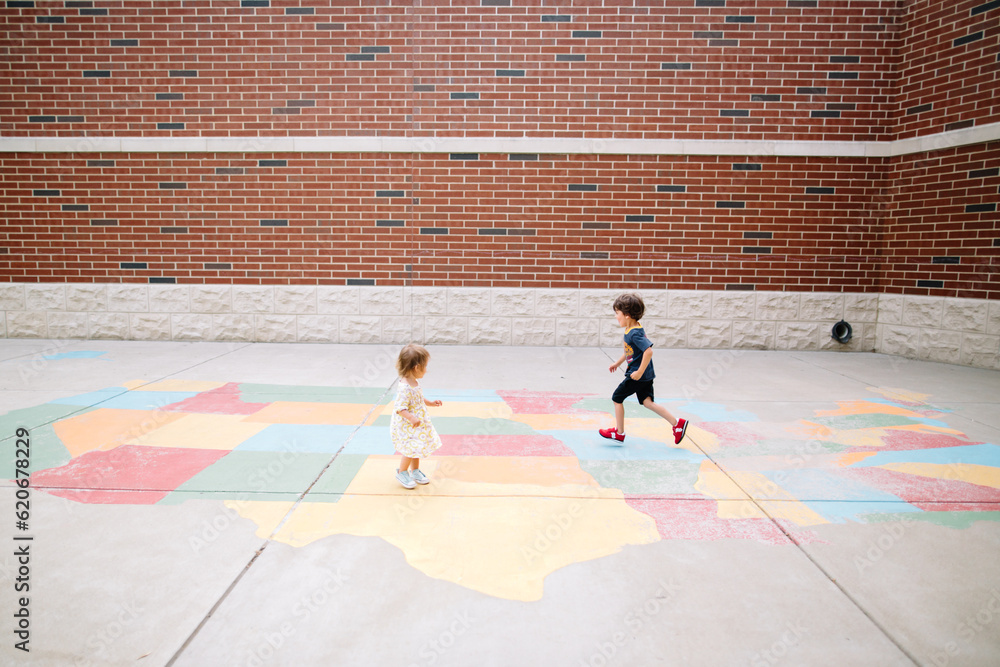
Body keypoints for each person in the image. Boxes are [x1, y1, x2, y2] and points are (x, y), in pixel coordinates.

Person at [599, 293, 689, 445]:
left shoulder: (634, 333)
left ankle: (619, 433)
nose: (616, 317)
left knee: (617, 398)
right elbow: (630, 351)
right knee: (648, 403)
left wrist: (639, 372)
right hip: (646, 375)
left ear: (627, 315)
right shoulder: (632, 328)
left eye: (617, 313)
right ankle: (677, 424)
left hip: (638, 375)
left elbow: (648, 351)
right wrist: (618, 363)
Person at [391, 343, 443, 489]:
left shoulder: (414, 382)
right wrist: (411, 418)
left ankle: (414, 471)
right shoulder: (404, 387)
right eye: (425, 366)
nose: (426, 370)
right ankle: (402, 472)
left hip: (416, 423)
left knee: (417, 446)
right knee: (410, 447)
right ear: (416, 367)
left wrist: (431, 403)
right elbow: (401, 408)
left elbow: (419, 399)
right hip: (408, 424)